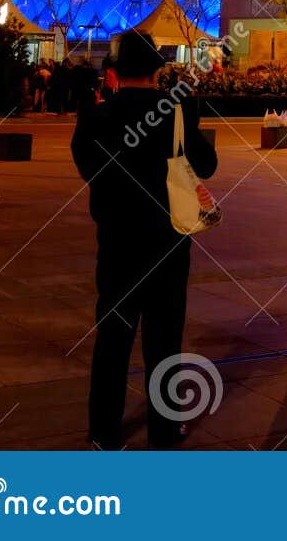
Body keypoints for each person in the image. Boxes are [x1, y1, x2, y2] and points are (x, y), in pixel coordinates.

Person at [70, 31, 217, 449]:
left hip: (117, 242)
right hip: (168, 241)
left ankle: (103, 434)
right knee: (164, 341)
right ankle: (164, 433)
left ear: (112, 74)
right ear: (158, 71)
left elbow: (88, 169)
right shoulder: (177, 110)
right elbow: (206, 165)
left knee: (112, 341)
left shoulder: (95, 116)